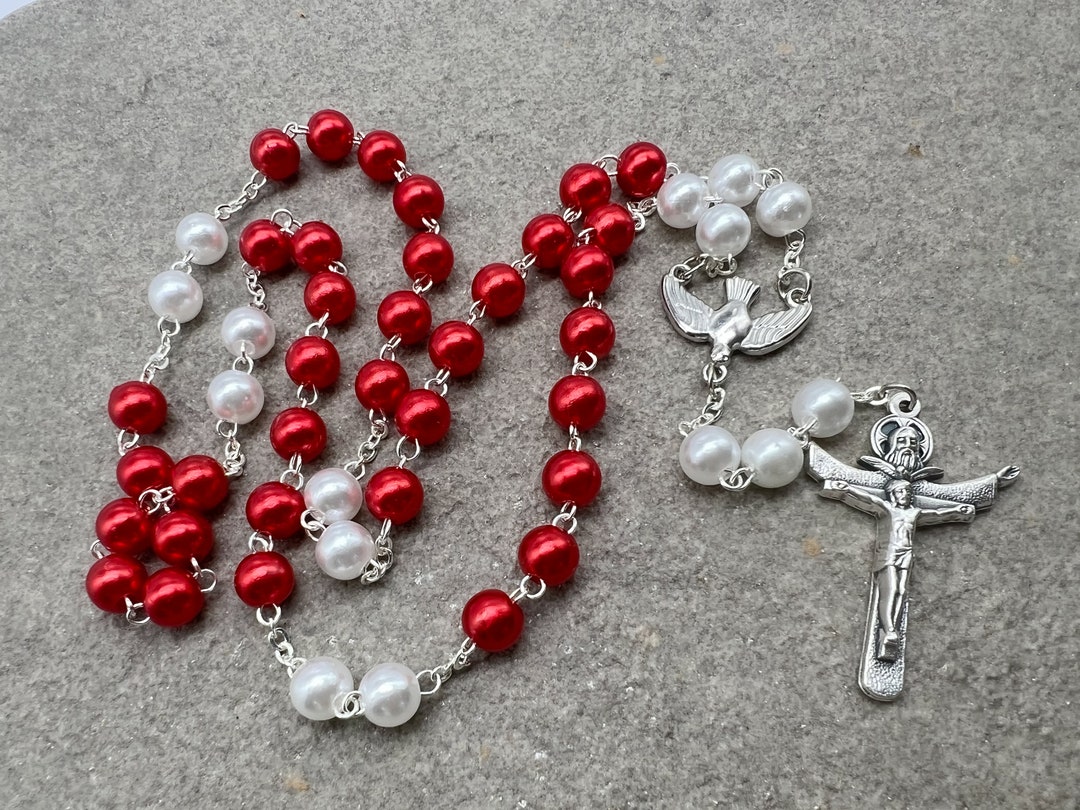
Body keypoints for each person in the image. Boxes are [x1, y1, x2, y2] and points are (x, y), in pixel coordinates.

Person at [822, 477, 975, 661]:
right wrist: (846, 488)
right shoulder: (887, 509)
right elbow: (868, 499)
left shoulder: (914, 513)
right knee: (890, 590)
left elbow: (936, 514)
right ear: (893, 494)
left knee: (902, 592)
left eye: (908, 492)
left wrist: (957, 510)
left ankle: (891, 629)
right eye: (901, 491)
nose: (906, 495)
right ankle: (889, 630)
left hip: (906, 554)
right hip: (889, 553)